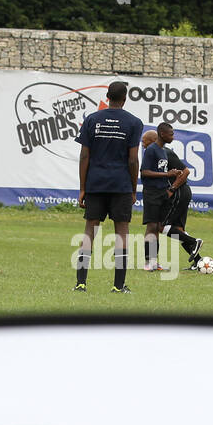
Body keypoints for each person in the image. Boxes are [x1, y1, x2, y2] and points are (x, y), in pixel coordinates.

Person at [74, 80, 142, 293]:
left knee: (89, 232)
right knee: (122, 232)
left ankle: (81, 283)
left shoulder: (92, 119)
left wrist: (83, 188)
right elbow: (133, 160)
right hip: (120, 185)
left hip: (95, 183)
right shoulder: (134, 122)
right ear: (125, 98)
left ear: (107, 97)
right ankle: (118, 285)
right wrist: (133, 188)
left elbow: (84, 155)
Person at [139, 123, 204, 271]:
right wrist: (168, 178)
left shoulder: (163, 151)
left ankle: (152, 262)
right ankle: (198, 260)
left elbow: (185, 171)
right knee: (170, 228)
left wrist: (172, 188)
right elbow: (148, 172)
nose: (143, 144)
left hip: (176, 192)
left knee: (159, 226)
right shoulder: (155, 151)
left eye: (145, 141)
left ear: (156, 138)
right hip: (163, 192)